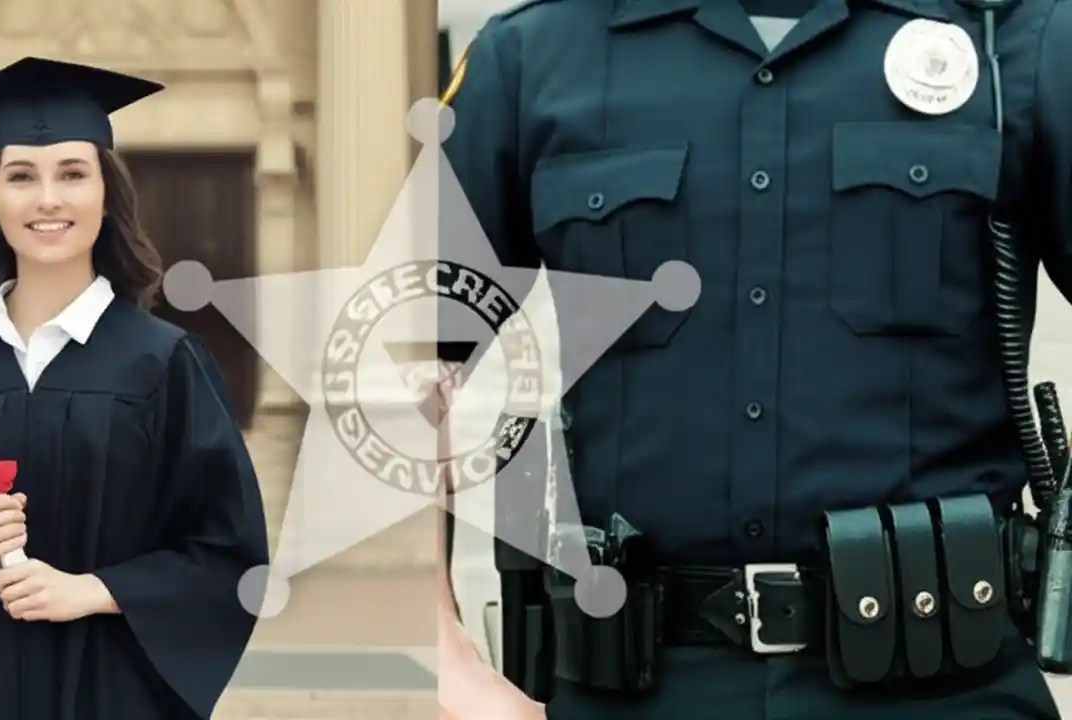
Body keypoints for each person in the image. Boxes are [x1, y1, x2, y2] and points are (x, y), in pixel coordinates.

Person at [437, 0, 1072, 718]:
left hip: (944, 686)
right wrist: (444, 661)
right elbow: (393, 357)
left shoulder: (1018, 40)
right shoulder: (534, 57)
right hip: (634, 688)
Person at [0, 57, 270, 720]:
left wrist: (94, 590)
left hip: (112, 690)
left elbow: (228, 554)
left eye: (72, 173)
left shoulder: (163, 364)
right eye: (20, 177)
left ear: (106, 194)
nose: (48, 200)